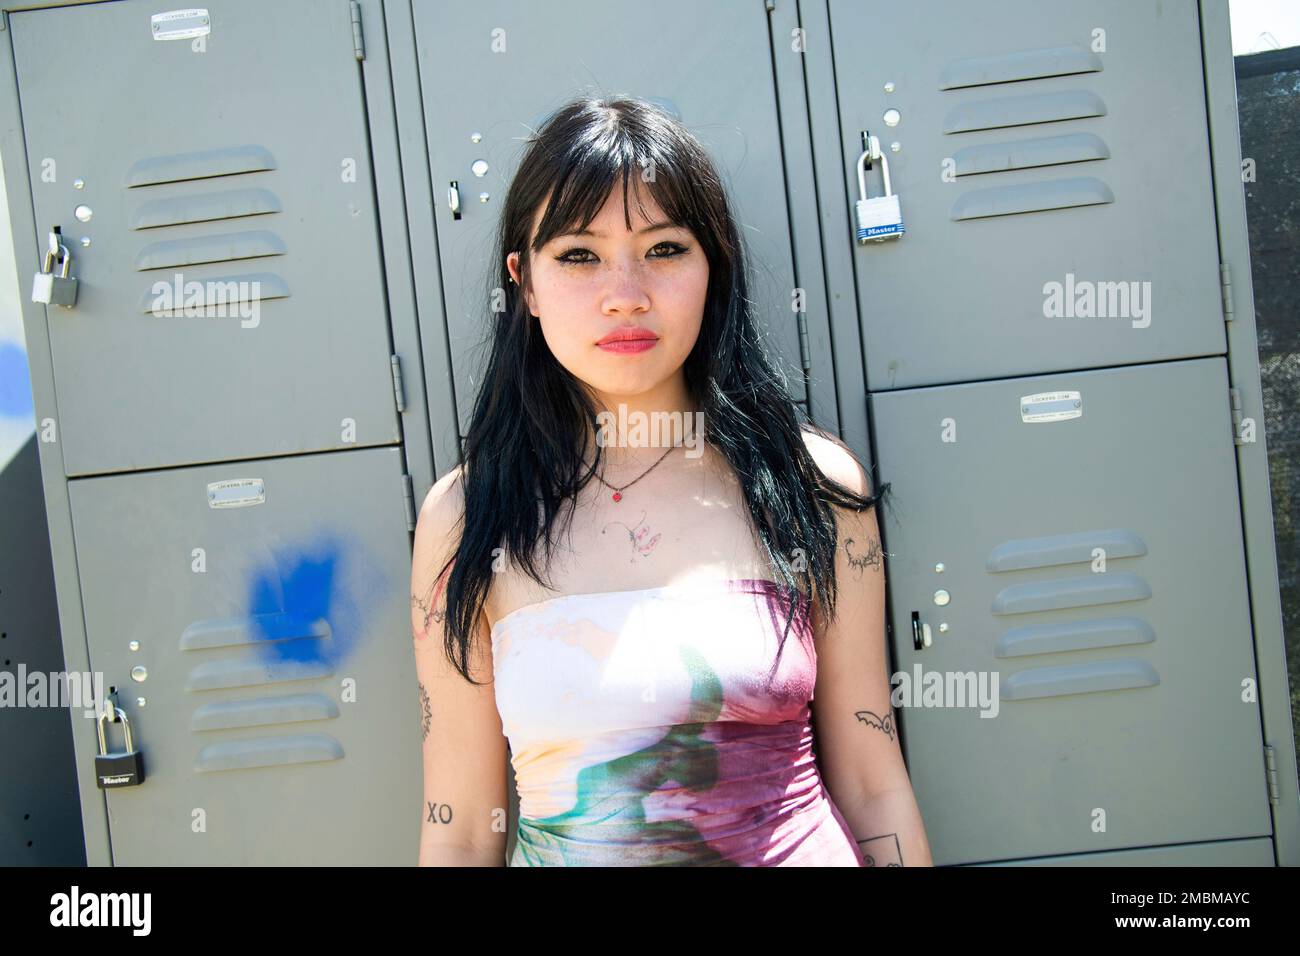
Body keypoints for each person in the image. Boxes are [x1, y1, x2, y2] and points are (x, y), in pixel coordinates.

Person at [411, 95, 932, 866]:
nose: (626, 291)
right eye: (579, 256)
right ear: (523, 282)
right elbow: (458, 828)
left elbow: (871, 779)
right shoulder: (469, 516)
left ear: (710, 264)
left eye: (663, 249)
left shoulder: (811, 482)